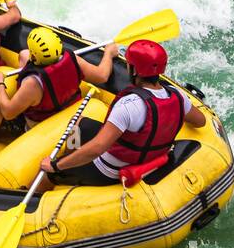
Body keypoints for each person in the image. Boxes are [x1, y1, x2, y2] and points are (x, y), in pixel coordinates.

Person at [36, 40, 206, 186]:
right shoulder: (179, 97)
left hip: (110, 171)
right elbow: (200, 121)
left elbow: (97, 148)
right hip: (152, 157)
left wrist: (56, 165)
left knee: (45, 173)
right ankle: (72, 153)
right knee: (81, 124)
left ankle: (61, 171)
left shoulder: (128, 106)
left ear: (134, 70)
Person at [0, 26, 116, 131]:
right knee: (23, 55)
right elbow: (102, 75)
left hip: (41, 125)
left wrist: (0, 84)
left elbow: (7, 112)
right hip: (67, 109)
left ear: (36, 57)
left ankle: (16, 130)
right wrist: (108, 54)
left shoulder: (32, 84)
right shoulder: (73, 59)